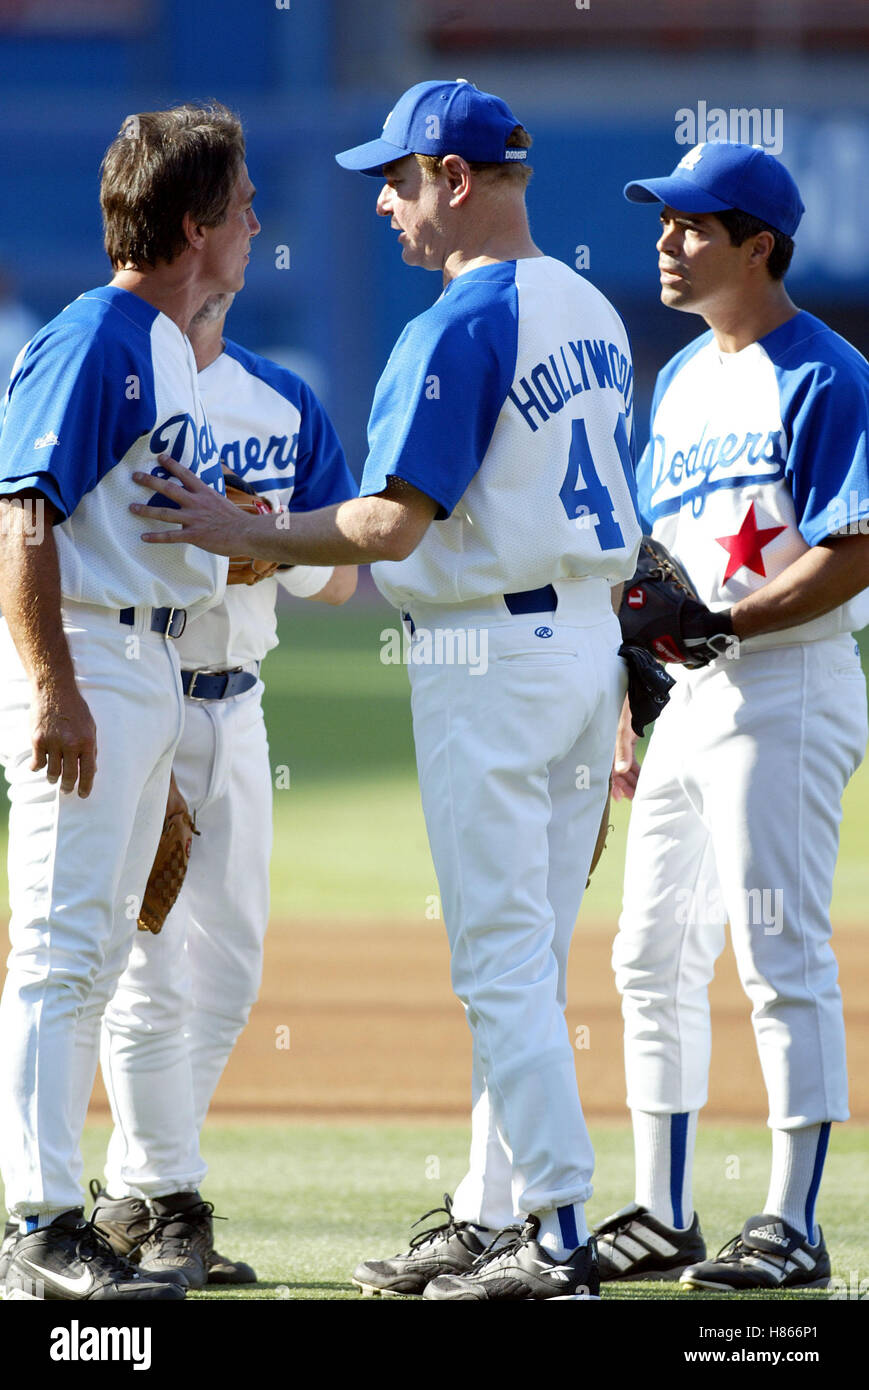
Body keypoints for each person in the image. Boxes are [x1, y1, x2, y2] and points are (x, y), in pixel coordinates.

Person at [126, 78, 643, 1302]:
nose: (381, 204)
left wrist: (234, 525)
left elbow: (389, 527)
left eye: (398, 181)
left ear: (453, 180)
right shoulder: (593, 308)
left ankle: (552, 1237)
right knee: (531, 957)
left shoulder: (456, 323)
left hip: (490, 660)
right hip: (582, 645)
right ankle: (489, 1210)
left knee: (498, 965)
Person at [592, 141, 869, 1292]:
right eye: (662, 220)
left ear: (757, 244)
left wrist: (731, 626)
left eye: (691, 225)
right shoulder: (682, 383)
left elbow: (853, 548)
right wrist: (627, 693)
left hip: (785, 685)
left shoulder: (825, 372)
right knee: (648, 951)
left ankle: (792, 1223)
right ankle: (662, 1207)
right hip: (694, 694)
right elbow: (657, 564)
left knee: (776, 948)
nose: (664, 240)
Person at [0, 101, 257, 1302]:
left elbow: (147, 527)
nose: (257, 222)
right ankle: (41, 1223)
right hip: (92, 656)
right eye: (243, 204)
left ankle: (63, 1215)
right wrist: (54, 684)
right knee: (58, 954)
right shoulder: (100, 333)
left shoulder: (163, 348)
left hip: (144, 663)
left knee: (97, 950)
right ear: (196, 224)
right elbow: (23, 509)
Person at [88, 291, 357, 1290]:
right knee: (149, 967)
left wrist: (266, 539)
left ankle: (133, 1190)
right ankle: (168, 1201)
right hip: (143, 688)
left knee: (231, 971)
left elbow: (335, 579)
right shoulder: (113, 383)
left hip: (238, 705)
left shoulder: (279, 399)